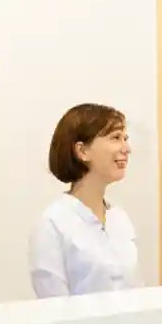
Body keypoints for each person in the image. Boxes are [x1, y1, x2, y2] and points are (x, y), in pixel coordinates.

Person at [29, 103, 141, 298]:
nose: (126, 148)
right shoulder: (53, 223)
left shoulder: (120, 219)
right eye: (115, 138)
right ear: (82, 151)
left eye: (125, 138)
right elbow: (53, 309)